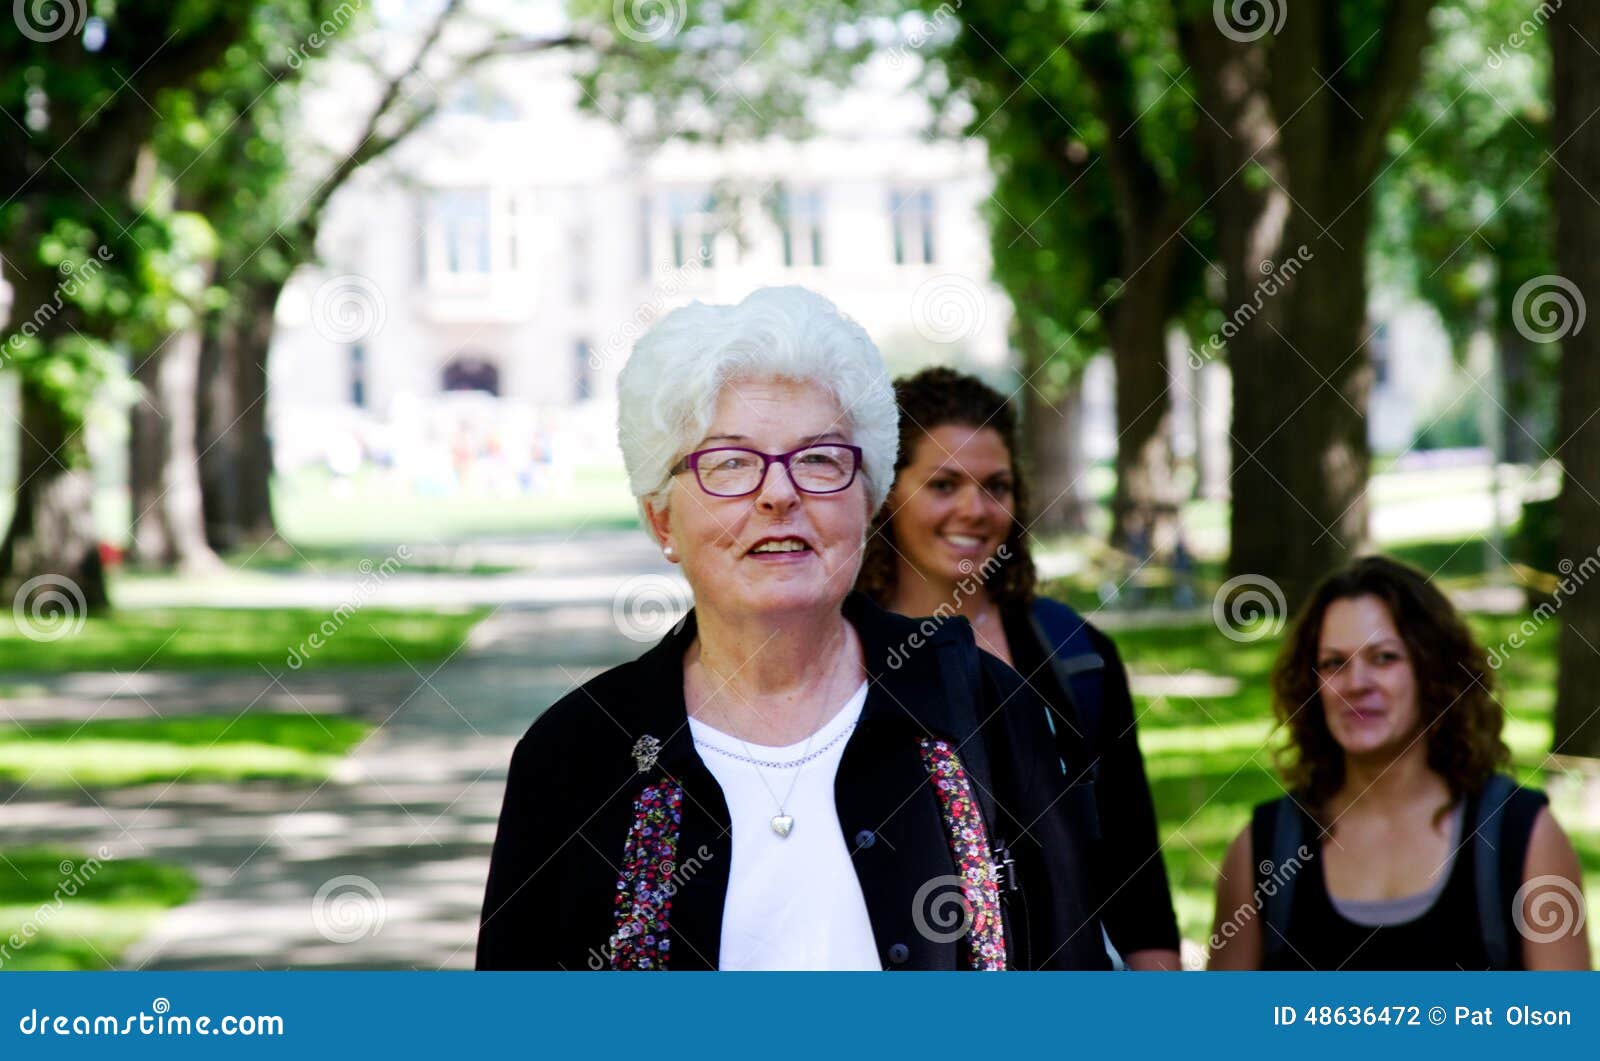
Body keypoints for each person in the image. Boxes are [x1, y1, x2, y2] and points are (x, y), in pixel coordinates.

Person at [476, 287, 1110, 971]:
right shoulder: (575, 755)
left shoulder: (985, 707)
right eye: (729, 463)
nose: (779, 493)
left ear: (867, 501)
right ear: (663, 520)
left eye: (818, 459)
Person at [856, 367, 1182, 970]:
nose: (974, 510)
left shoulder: (1077, 655)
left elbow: (1135, 877)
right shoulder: (839, 656)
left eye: (996, 486)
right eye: (944, 484)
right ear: (886, 494)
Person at [1209, 555, 1591, 970]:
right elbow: (1226, 1031)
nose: (1356, 684)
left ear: (1433, 670)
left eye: (1384, 657)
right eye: (1334, 663)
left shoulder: (1522, 837)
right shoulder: (1265, 849)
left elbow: (1567, 1029)